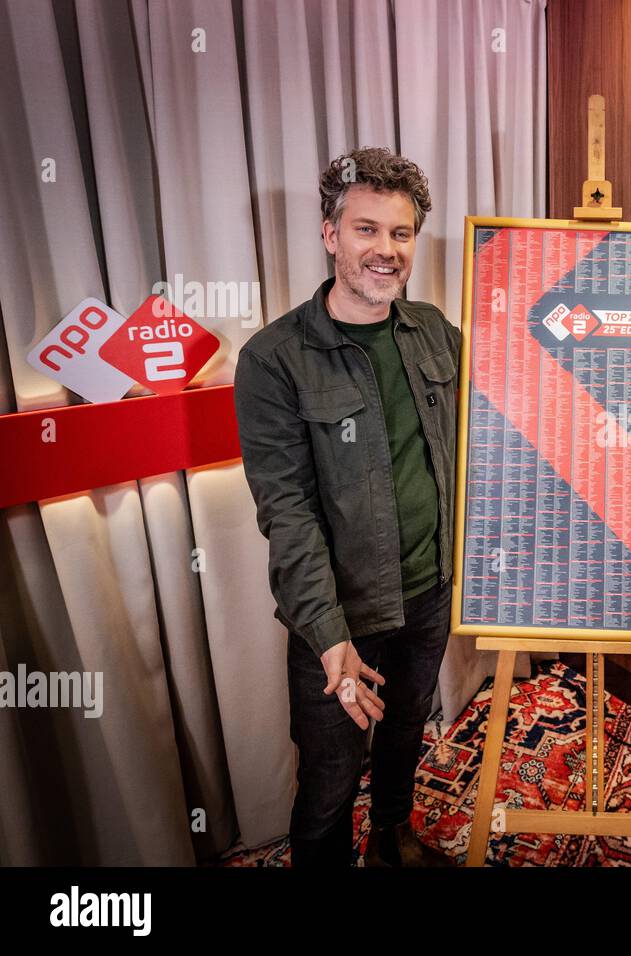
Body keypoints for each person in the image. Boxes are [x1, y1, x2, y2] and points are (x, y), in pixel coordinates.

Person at [234, 147, 460, 867]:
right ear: (331, 234)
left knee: (403, 736)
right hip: (340, 620)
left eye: (400, 234)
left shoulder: (433, 330)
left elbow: (500, 422)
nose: (386, 251)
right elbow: (287, 512)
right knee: (330, 779)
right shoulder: (274, 359)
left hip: (429, 597)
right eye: (367, 230)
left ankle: (393, 840)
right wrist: (331, 639)